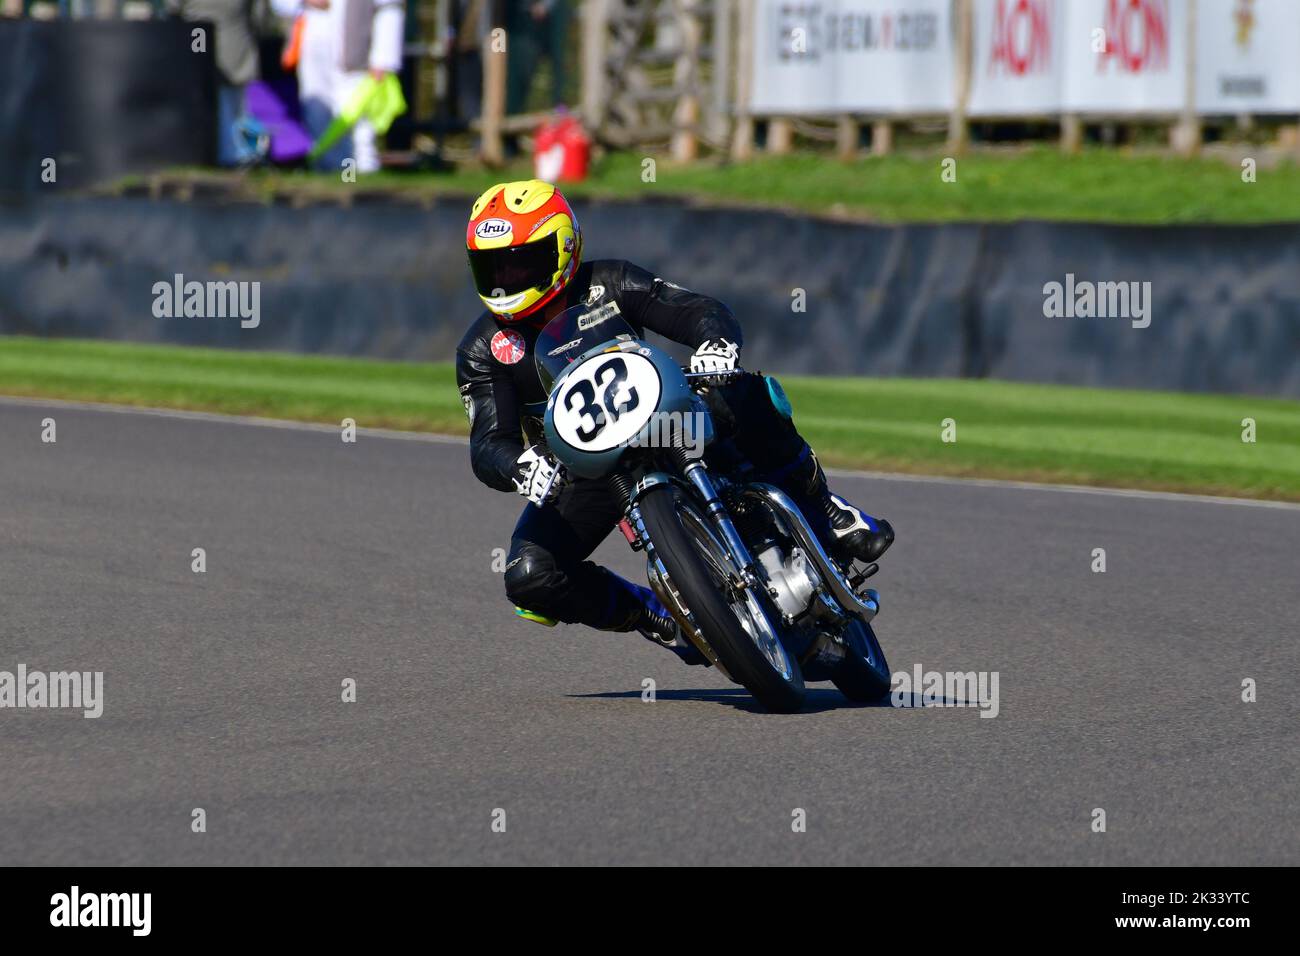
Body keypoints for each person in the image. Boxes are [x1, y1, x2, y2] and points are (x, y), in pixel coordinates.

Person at [455, 180, 894, 662]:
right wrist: (520, 465)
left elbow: (697, 309)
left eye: (520, 260)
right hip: (587, 471)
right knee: (528, 573)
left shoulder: (610, 282)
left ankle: (826, 509)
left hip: (667, 421)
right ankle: (655, 615)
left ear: (562, 247)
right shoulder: (483, 349)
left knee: (741, 391)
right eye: (492, 266)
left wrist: (714, 344)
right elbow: (487, 443)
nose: (506, 277)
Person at [271, 0, 404, 173]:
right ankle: (327, 172)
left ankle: (357, 173)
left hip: (357, 52)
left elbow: (389, 8)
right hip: (313, 43)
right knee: (316, 114)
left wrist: (384, 57)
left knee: (354, 122)